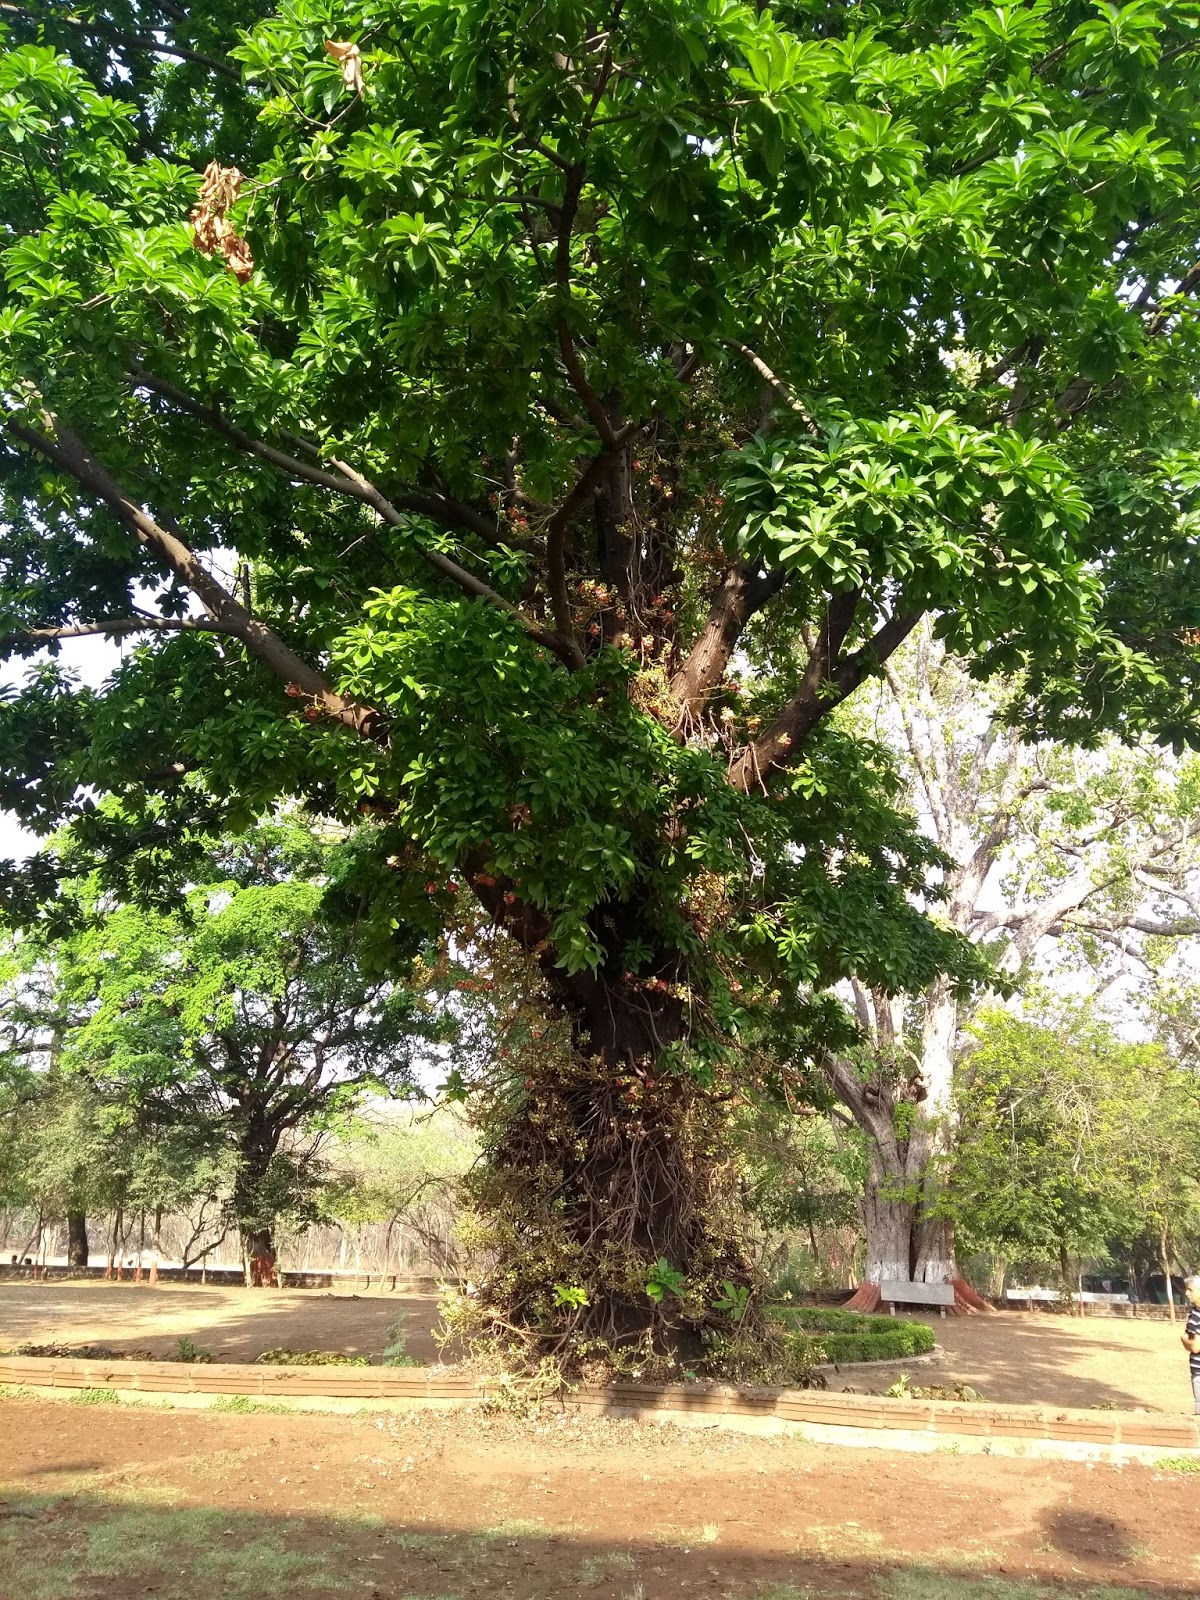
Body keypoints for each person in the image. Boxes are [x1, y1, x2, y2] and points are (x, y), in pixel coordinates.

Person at [1182, 1275, 1200, 1415]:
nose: (1187, 1293)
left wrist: (1183, 1339)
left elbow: (1195, 1346)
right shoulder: (1194, 1312)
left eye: (1190, 1290)